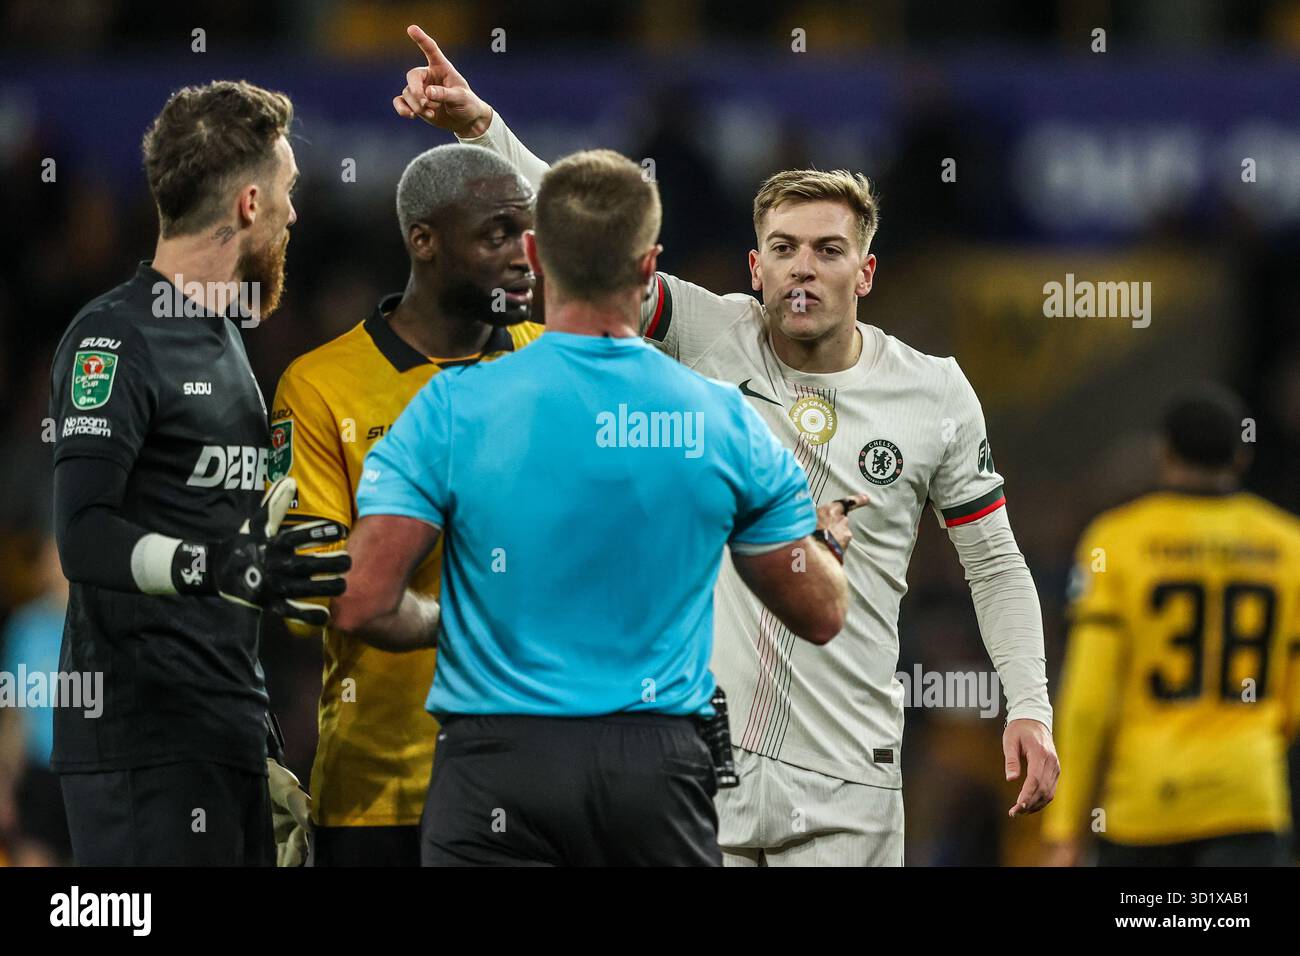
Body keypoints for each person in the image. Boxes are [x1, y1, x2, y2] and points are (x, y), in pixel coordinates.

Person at [391, 25, 1058, 866]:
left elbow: (994, 564)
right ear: (755, 265)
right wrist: (479, 124)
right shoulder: (711, 335)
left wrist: (1028, 704)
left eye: (827, 251)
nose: (802, 270)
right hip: (708, 770)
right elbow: (587, 227)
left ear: (867, 273)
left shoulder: (935, 392)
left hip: (854, 777)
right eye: (783, 250)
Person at [331, 148, 854, 866]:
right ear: (649, 265)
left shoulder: (452, 410)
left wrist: (449, 621)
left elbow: (359, 601)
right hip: (653, 772)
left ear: (537, 254)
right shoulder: (723, 422)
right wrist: (826, 551)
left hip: (494, 766)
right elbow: (819, 613)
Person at [48, 81, 349, 866]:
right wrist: (216, 564)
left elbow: (217, 543)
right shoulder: (113, 338)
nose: (295, 214)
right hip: (139, 747)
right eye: (288, 193)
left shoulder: (227, 340)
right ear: (249, 203)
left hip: (224, 732)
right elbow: (83, 536)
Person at [268, 142, 542, 866]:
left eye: (530, 233)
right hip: (379, 788)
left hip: (541, 781)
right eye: (496, 234)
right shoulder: (321, 386)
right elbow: (323, 590)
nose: (524, 256)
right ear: (422, 240)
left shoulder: (561, 363)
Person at [1042, 386, 1300, 866]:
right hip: (1249, 800)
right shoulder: (1288, 544)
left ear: (1164, 453)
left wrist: (1065, 826)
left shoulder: (1117, 540)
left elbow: (1089, 697)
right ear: (1241, 457)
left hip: (1144, 805)